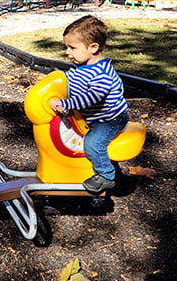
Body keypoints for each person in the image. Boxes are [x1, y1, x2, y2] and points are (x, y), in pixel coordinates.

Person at [50, 15, 129, 195]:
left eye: (72, 48)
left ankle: (106, 176)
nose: (67, 52)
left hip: (110, 119)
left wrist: (66, 103)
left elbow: (91, 97)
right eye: (66, 47)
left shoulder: (102, 73)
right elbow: (68, 81)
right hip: (92, 116)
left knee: (93, 143)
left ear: (93, 47)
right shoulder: (79, 65)